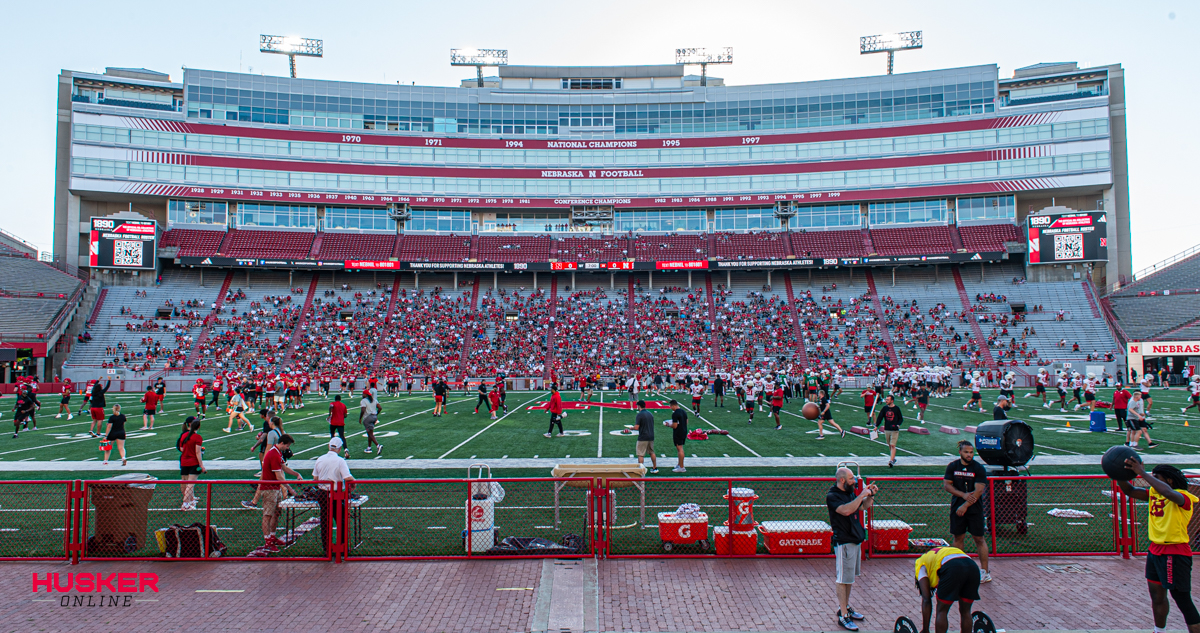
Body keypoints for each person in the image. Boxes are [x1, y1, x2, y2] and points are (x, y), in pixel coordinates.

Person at [1115, 461, 1200, 633]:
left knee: (1182, 599)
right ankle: (1158, 631)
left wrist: (1143, 473)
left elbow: (1168, 492)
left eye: (1157, 478)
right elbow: (1130, 491)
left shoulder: (1183, 497)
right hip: (1155, 550)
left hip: (1175, 552)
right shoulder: (1154, 493)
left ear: (1168, 480)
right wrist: (1119, 476)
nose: (1152, 481)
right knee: (1157, 597)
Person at [827, 466, 876, 631]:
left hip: (855, 540)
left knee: (849, 579)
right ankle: (843, 615)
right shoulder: (833, 496)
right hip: (844, 542)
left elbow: (862, 507)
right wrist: (862, 494)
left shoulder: (849, 492)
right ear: (842, 480)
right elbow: (847, 510)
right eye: (851, 479)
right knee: (842, 580)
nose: (854, 481)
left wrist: (870, 496)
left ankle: (845, 607)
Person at [943, 440, 992, 582]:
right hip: (956, 506)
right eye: (966, 452)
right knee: (958, 537)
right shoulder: (953, 466)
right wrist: (963, 495)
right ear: (960, 452)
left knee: (979, 538)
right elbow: (947, 485)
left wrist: (965, 505)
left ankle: (985, 571)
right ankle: (959, 569)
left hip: (974, 509)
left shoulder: (978, 468)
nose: (969, 455)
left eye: (971, 452)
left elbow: (979, 491)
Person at [914, 545, 982, 633]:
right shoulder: (934, 555)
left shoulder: (920, 564)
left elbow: (926, 599)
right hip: (972, 567)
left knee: (942, 610)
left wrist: (925, 630)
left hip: (952, 567)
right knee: (966, 611)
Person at [259, 434, 302, 553]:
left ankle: (272, 536)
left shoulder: (277, 452)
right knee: (267, 515)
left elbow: (284, 468)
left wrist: (296, 474)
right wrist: (290, 489)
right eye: (287, 446)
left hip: (275, 488)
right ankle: (267, 541)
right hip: (269, 489)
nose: (288, 448)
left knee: (276, 513)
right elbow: (279, 476)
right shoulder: (274, 454)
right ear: (282, 443)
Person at [312, 437, 354, 555]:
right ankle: (342, 547)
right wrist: (354, 482)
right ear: (339, 448)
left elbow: (315, 478)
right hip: (336, 494)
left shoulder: (320, 459)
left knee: (325, 521)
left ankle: (327, 549)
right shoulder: (340, 461)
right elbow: (347, 477)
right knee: (341, 521)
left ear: (328, 446)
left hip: (323, 493)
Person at [177, 417, 205, 511]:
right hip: (193, 462)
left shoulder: (184, 435)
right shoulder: (198, 437)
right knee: (191, 484)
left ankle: (190, 500)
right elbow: (197, 452)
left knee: (184, 482)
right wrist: (201, 465)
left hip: (184, 461)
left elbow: (181, 449)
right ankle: (185, 503)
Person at [875, 394, 903, 467]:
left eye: (888, 400)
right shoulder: (884, 408)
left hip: (894, 430)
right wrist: (876, 426)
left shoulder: (896, 408)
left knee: (893, 445)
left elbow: (901, 418)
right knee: (889, 445)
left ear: (892, 401)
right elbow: (880, 417)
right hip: (887, 429)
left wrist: (898, 425)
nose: (886, 401)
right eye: (886, 399)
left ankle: (891, 461)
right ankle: (893, 458)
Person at [632, 400, 657, 474]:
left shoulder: (640, 415)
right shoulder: (650, 414)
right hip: (651, 435)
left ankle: (641, 470)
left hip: (643, 436)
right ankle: (655, 468)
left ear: (639, 406)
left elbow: (636, 427)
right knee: (652, 452)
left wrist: (631, 428)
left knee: (640, 454)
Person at [666, 399, 687, 473]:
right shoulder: (683, 411)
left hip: (678, 432)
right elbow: (686, 421)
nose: (671, 408)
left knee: (680, 449)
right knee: (680, 448)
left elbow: (674, 426)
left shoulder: (675, 413)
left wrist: (668, 424)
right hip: (684, 431)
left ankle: (681, 467)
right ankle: (679, 464)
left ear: (673, 405)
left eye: (671, 406)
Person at [359, 390, 382, 454]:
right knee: (370, 432)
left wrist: (360, 418)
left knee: (370, 433)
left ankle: (378, 445)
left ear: (365, 395)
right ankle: (369, 448)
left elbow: (363, 410)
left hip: (367, 418)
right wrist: (376, 414)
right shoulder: (374, 400)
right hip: (374, 417)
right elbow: (380, 408)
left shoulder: (363, 401)